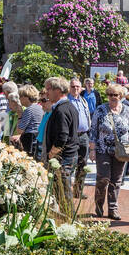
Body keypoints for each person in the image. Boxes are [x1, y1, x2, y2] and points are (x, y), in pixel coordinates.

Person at [89, 81, 129, 219]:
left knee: (116, 180)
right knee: (103, 179)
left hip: (121, 151)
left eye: (115, 95)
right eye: (109, 94)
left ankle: (113, 208)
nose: (112, 97)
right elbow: (93, 131)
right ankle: (99, 206)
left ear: (120, 95)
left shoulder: (127, 110)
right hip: (103, 150)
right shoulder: (100, 110)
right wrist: (92, 150)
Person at [41, 76, 80, 206]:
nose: (46, 93)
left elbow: (62, 136)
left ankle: (68, 221)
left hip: (63, 158)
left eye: (48, 90)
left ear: (57, 90)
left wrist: (52, 154)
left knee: (63, 193)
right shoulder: (68, 106)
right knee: (62, 192)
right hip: (68, 156)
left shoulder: (62, 109)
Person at [68, 77, 92, 198]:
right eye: (73, 86)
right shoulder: (66, 101)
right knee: (70, 164)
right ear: (69, 88)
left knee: (83, 164)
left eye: (77, 86)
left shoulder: (83, 100)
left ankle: (78, 190)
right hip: (71, 136)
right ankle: (66, 192)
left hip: (83, 135)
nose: (75, 89)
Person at [13, 84, 43, 154]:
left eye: (20, 96)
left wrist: (20, 115)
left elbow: (20, 130)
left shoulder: (29, 110)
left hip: (29, 139)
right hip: (37, 138)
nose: (19, 99)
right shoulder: (39, 107)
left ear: (26, 97)